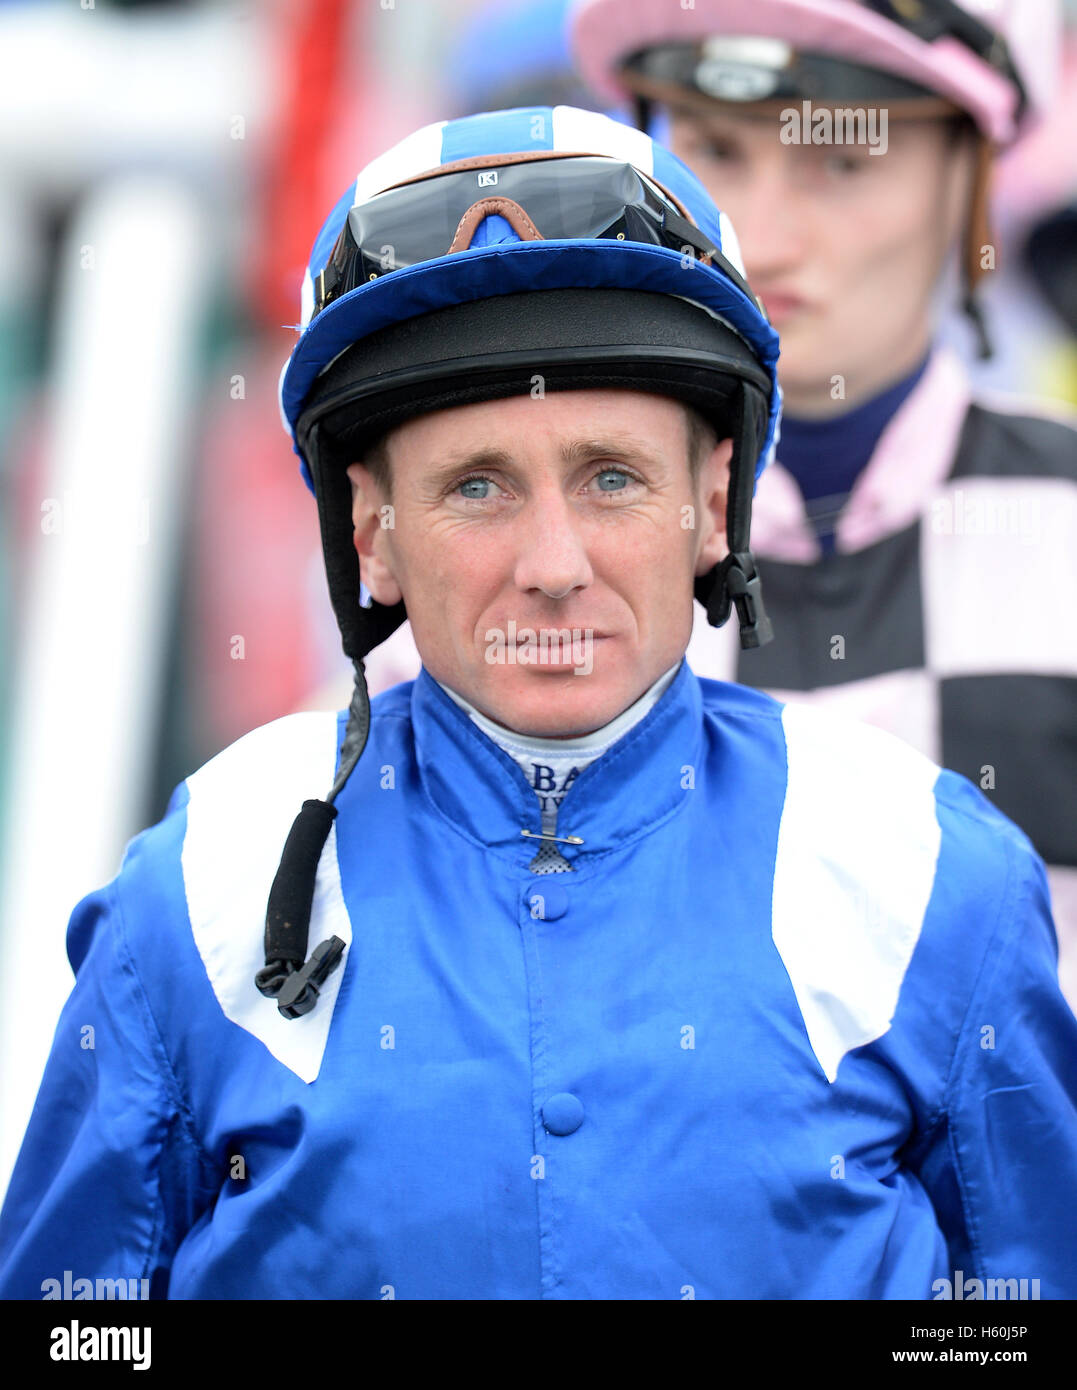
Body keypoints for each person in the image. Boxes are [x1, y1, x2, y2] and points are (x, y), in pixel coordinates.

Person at [0, 107, 1074, 1301]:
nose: (554, 561)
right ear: (373, 531)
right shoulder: (197, 883)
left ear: (714, 503)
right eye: (478, 487)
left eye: (612, 477)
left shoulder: (933, 869)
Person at [569, 0, 1077, 1008]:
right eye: (714, 147)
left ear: (973, 179)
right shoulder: (531, 547)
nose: (761, 234)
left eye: (841, 162)